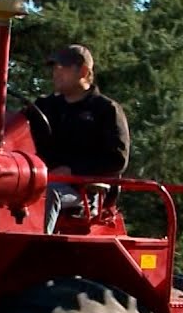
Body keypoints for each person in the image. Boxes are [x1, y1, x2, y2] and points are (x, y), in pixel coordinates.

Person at [27, 44, 130, 234]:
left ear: (83, 71)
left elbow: (117, 159)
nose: (56, 73)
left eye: (63, 68)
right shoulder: (46, 106)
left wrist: (73, 170)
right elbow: (15, 124)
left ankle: (38, 248)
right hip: (45, 179)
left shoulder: (106, 110)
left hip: (85, 191)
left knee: (49, 193)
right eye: (54, 68)